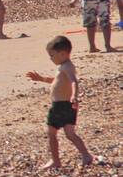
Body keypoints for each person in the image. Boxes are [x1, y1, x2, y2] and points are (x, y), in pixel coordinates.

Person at [26, 36, 95, 168]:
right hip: (67, 105)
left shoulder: (67, 67)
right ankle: (86, 155)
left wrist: (74, 96)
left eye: (52, 55)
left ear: (63, 53)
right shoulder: (63, 66)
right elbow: (57, 81)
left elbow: (74, 81)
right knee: (70, 133)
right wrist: (41, 79)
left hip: (60, 105)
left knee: (51, 133)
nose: (51, 59)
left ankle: (55, 161)